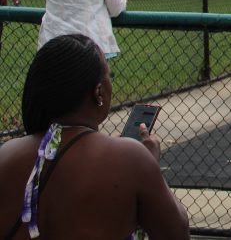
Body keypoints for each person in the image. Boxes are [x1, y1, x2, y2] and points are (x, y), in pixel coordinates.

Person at [0, 34, 189, 239]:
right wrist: (150, 166)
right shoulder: (130, 159)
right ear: (98, 92)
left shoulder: (6, 154)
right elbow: (176, 233)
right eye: (110, 76)